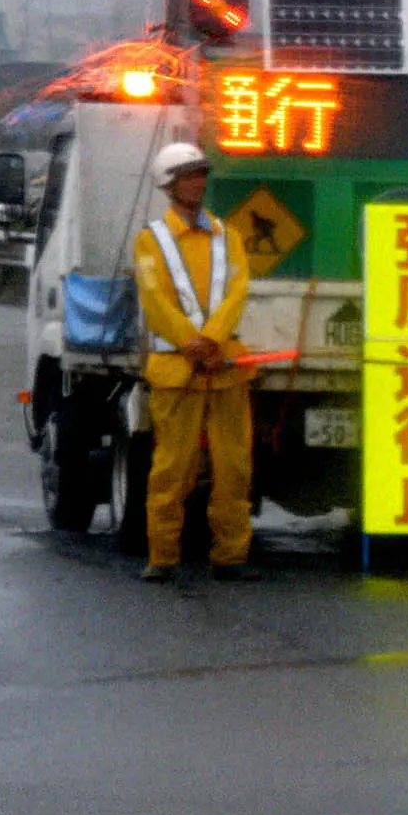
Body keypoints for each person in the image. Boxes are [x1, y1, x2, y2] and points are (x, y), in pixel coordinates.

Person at [132, 141, 259, 582]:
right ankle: (163, 557)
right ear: (169, 186)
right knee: (172, 468)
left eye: (201, 174)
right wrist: (193, 344)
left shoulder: (229, 236)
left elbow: (237, 291)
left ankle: (231, 555)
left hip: (223, 368)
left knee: (234, 467)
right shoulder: (151, 241)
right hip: (180, 370)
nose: (198, 183)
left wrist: (211, 340)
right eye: (189, 176)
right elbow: (155, 300)